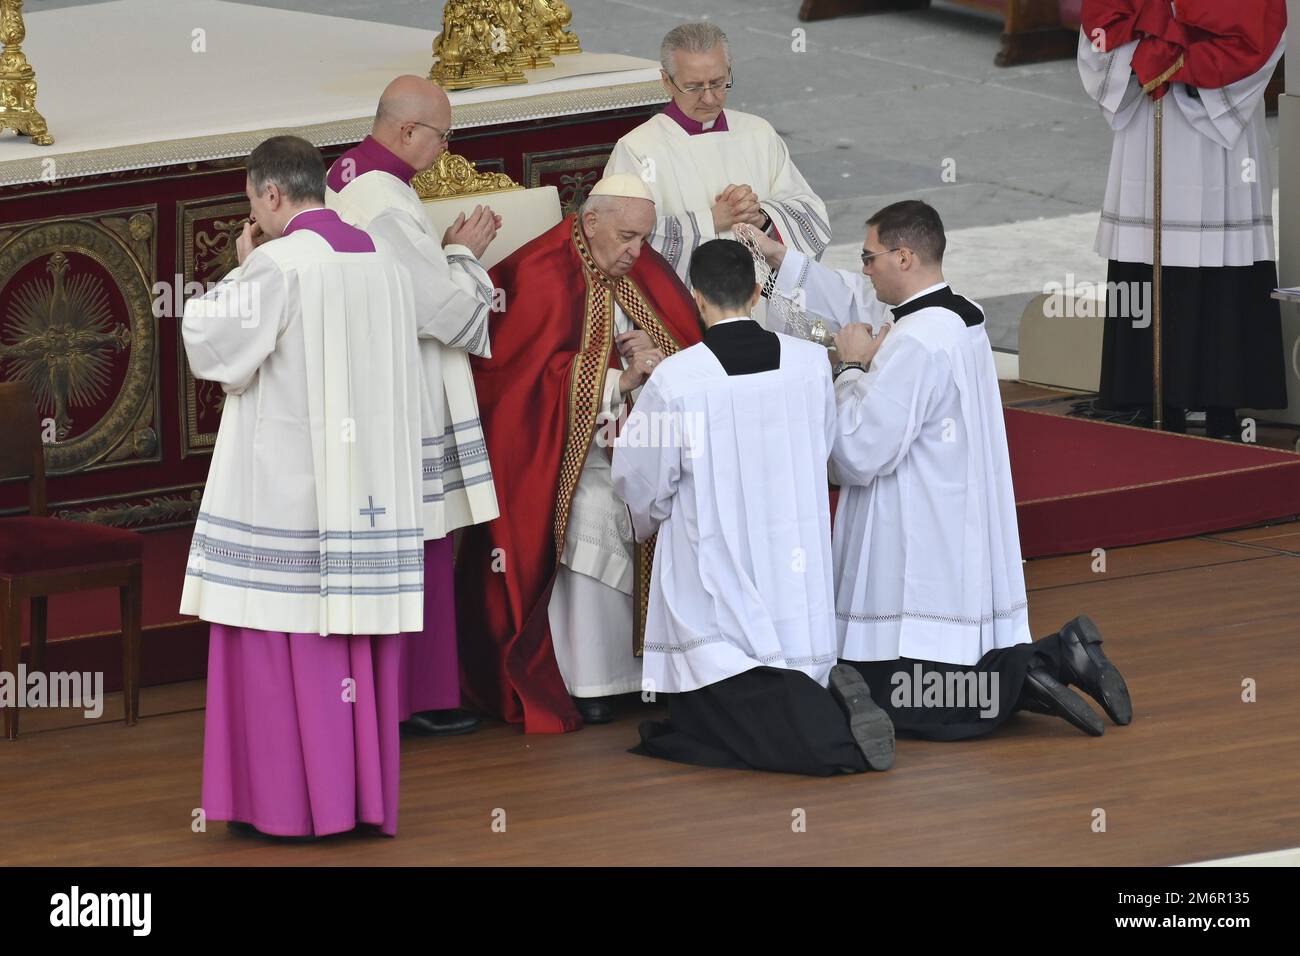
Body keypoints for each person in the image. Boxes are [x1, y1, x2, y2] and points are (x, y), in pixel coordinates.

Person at [748, 200, 1133, 739]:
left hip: (912, 515)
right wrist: (779, 258)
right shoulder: (958, 312)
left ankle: (1031, 675)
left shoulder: (915, 340)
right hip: (950, 499)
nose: (864, 268)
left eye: (869, 256)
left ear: (903, 257)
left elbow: (859, 452)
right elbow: (849, 297)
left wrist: (853, 368)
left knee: (905, 697)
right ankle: (1057, 658)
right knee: (941, 663)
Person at [182, 135, 424, 837]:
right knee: (350, 652)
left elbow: (213, 346)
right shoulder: (384, 259)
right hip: (370, 493)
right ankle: (356, 801)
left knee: (277, 639)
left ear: (271, 196)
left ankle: (286, 807)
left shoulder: (279, 265)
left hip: (289, 493)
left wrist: (244, 267)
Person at [614, 238, 894, 775]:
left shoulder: (677, 379)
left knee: (726, 670)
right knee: (788, 656)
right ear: (757, 290)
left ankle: (832, 736)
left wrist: (650, 519)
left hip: (714, 552)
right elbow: (825, 445)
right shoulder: (811, 364)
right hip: (795, 550)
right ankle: (827, 696)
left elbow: (641, 477)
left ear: (697, 297)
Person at [454, 174, 701, 733]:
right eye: (628, 237)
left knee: (665, 504)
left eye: (644, 238)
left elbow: (692, 350)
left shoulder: (645, 269)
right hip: (561, 456)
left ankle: (657, 671)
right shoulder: (535, 273)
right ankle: (593, 680)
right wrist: (618, 379)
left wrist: (660, 363)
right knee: (594, 511)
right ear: (592, 223)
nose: (638, 252)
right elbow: (516, 386)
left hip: (640, 447)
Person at [326, 75, 501, 736]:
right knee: (420, 536)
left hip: (365, 388)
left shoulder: (348, 172)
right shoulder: (385, 201)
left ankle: (393, 696)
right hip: (398, 392)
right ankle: (415, 700)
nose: (447, 148)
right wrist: (463, 254)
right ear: (405, 133)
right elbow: (444, 312)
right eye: (442, 135)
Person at [1078, 1, 1288, 438]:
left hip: (1218, 139)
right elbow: (1103, 20)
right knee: (1148, 256)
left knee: (1223, 263)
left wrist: (1182, 65)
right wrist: (1142, 56)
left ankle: (1222, 407)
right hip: (1147, 121)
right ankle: (1152, 399)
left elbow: (1260, 33)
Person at [604, 22, 830, 328]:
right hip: (684, 319)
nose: (709, 98)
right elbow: (620, 241)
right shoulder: (638, 150)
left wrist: (762, 216)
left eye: (718, 82)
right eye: (694, 87)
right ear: (666, 82)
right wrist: (710, 222)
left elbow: (811, 215)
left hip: (765, 311)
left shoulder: (758, 133)